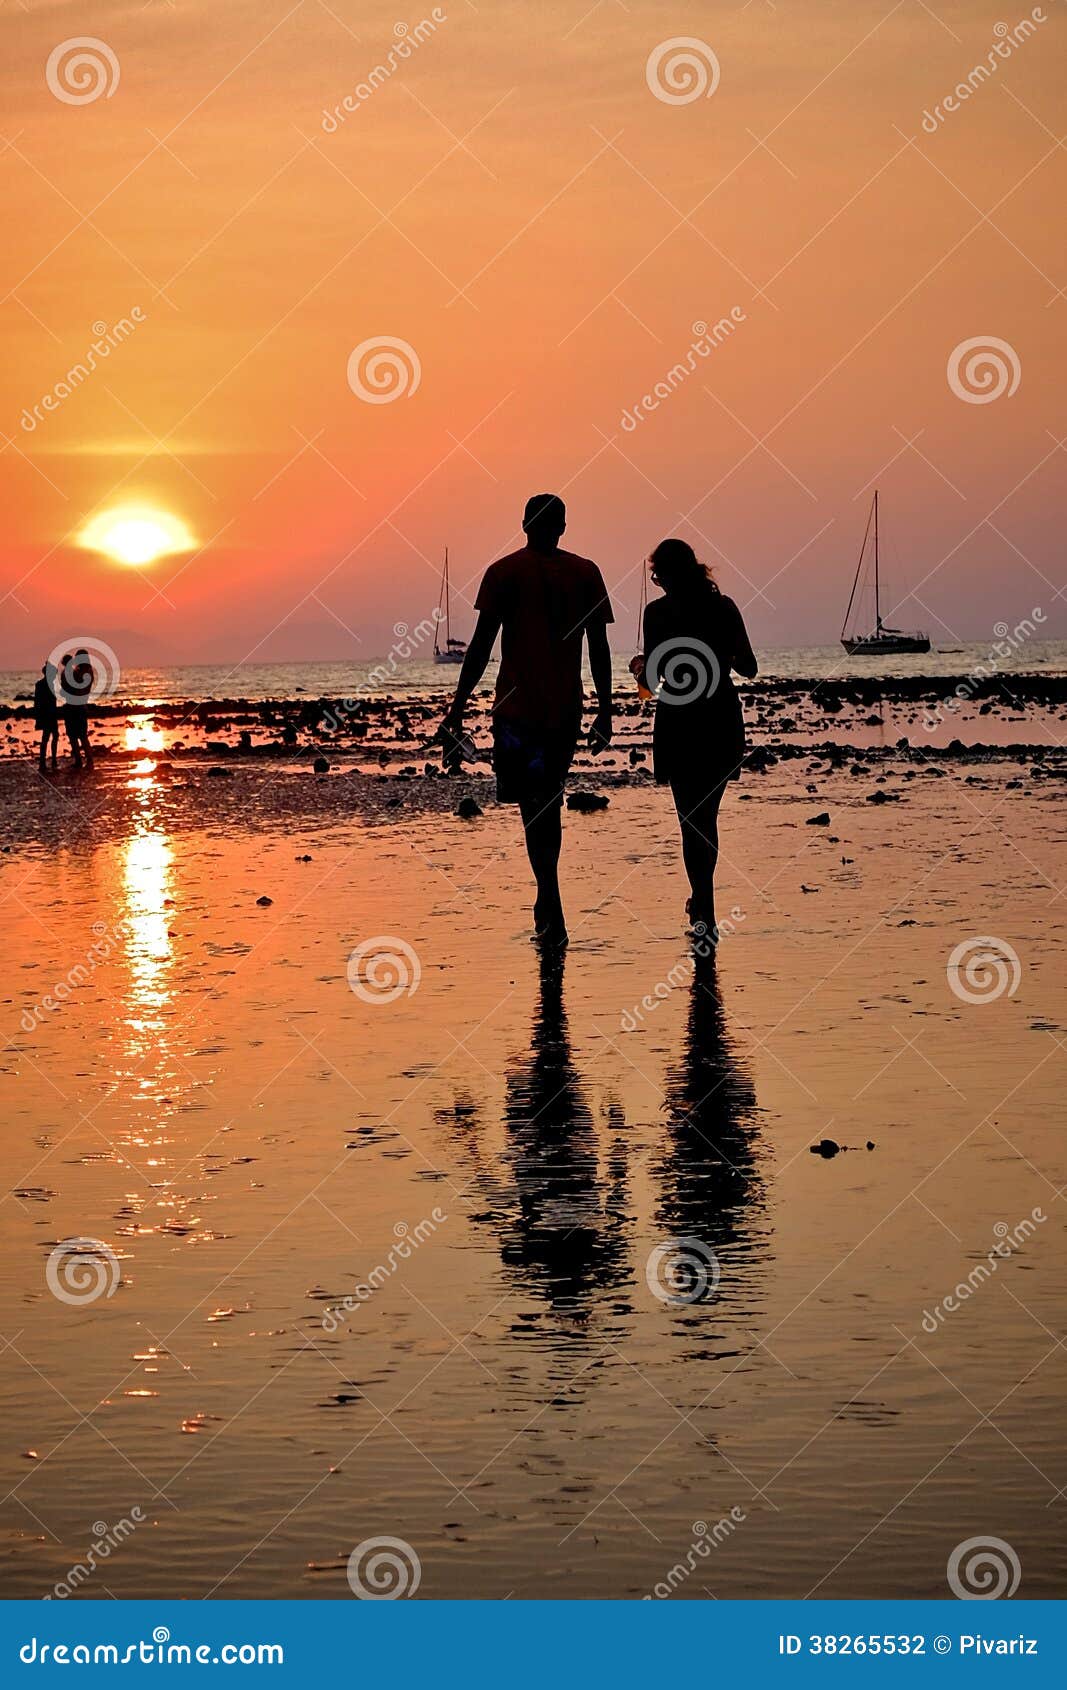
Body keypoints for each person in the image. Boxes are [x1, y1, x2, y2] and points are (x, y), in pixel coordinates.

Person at [441, 494, 614, 946]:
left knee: (535, 806)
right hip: (563, 710)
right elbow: (599, 650)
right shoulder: (585, 573)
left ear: (524, 524)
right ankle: (548, 897)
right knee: (547, 801)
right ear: (562, 527)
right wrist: (605, 710)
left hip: (517, 712)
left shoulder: (504, 572)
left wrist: (458, 708)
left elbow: (481, 646)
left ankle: (548, 897)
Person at [630, 538, 757, 941]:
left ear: (665, 576)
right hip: (719, 718)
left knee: (690, 823)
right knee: (707, 819)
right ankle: (704, 904)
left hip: (679, 721)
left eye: (658, 576)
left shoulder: (657, 614)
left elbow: (652, 683)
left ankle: (703, 906)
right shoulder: (724, 608)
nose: (658, 582)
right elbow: (750, 668)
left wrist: (640, 669)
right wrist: (720, 656)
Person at [60, 649, 95, 769]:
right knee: (80, 736)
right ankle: (85, 760)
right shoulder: (86, 671)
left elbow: (71, 688)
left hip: (74, 707)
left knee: (75, 735)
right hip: (81, 706)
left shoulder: (81, 673)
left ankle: (83, 761)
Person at [33, 662, 60, 773]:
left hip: (46, 714)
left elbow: (36, 702)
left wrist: (37, 715)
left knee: (47, 737)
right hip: (50, 714)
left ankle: (45, 761)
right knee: (52, 737)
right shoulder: (50, 685)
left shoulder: (40, 684)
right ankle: (50, 761)